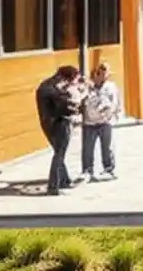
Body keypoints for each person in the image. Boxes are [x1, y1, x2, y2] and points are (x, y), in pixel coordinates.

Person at [36, 66, 83, 195]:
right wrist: (77, 108)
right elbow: (63, 106)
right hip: (59, 122)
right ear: (68, 77)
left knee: (59, 153)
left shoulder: (45, 85)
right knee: (59, 154)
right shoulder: (55, 87)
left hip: (47, 123)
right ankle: (53, 185)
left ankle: (64, 180)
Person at [81, 62, 121, 182]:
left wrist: (113, 113)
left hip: (105, 121)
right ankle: (87, 171)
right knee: (88, 148)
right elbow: (82, 103)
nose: (104, 77)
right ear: (96, 75)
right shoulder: (87, 88)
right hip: (90, 122)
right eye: (102, 74)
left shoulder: (111, 87)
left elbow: (115, 102)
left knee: (107, 146)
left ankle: (109, 169)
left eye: (106, 75)